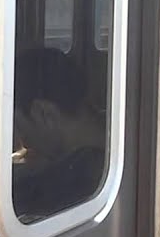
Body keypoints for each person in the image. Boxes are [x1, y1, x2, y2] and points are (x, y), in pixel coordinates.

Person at [11, 46, 106, 221]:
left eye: (20, 127)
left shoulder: (74, 181)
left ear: (43, 113)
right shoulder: (108, 147)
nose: (24, 143)